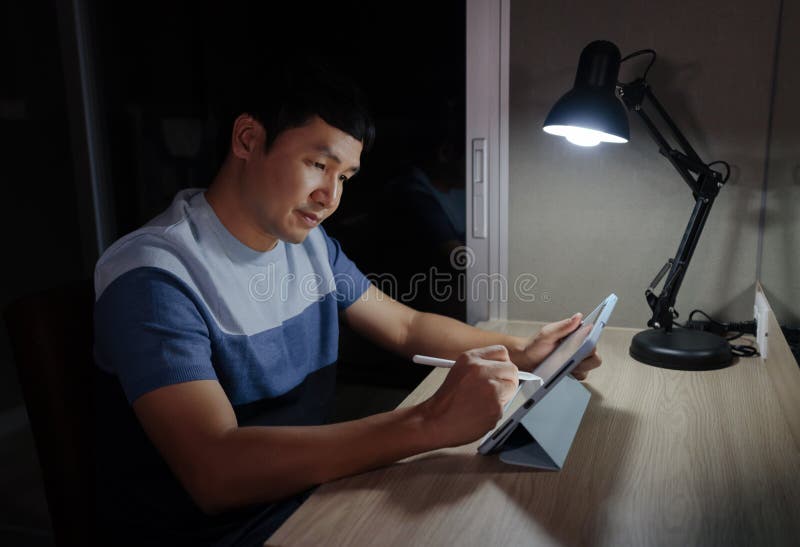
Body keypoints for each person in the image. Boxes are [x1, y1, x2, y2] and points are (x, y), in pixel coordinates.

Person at [91, 59, 602, 546]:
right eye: (318, 164)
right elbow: (216, 471)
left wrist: (522, 349)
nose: (329, 197)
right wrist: (428, 422)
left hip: (311, 494)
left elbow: (404, 327)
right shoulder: (154, 277)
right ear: (248, 139)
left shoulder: (307, 245)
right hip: (225, 534)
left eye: (344, 178)